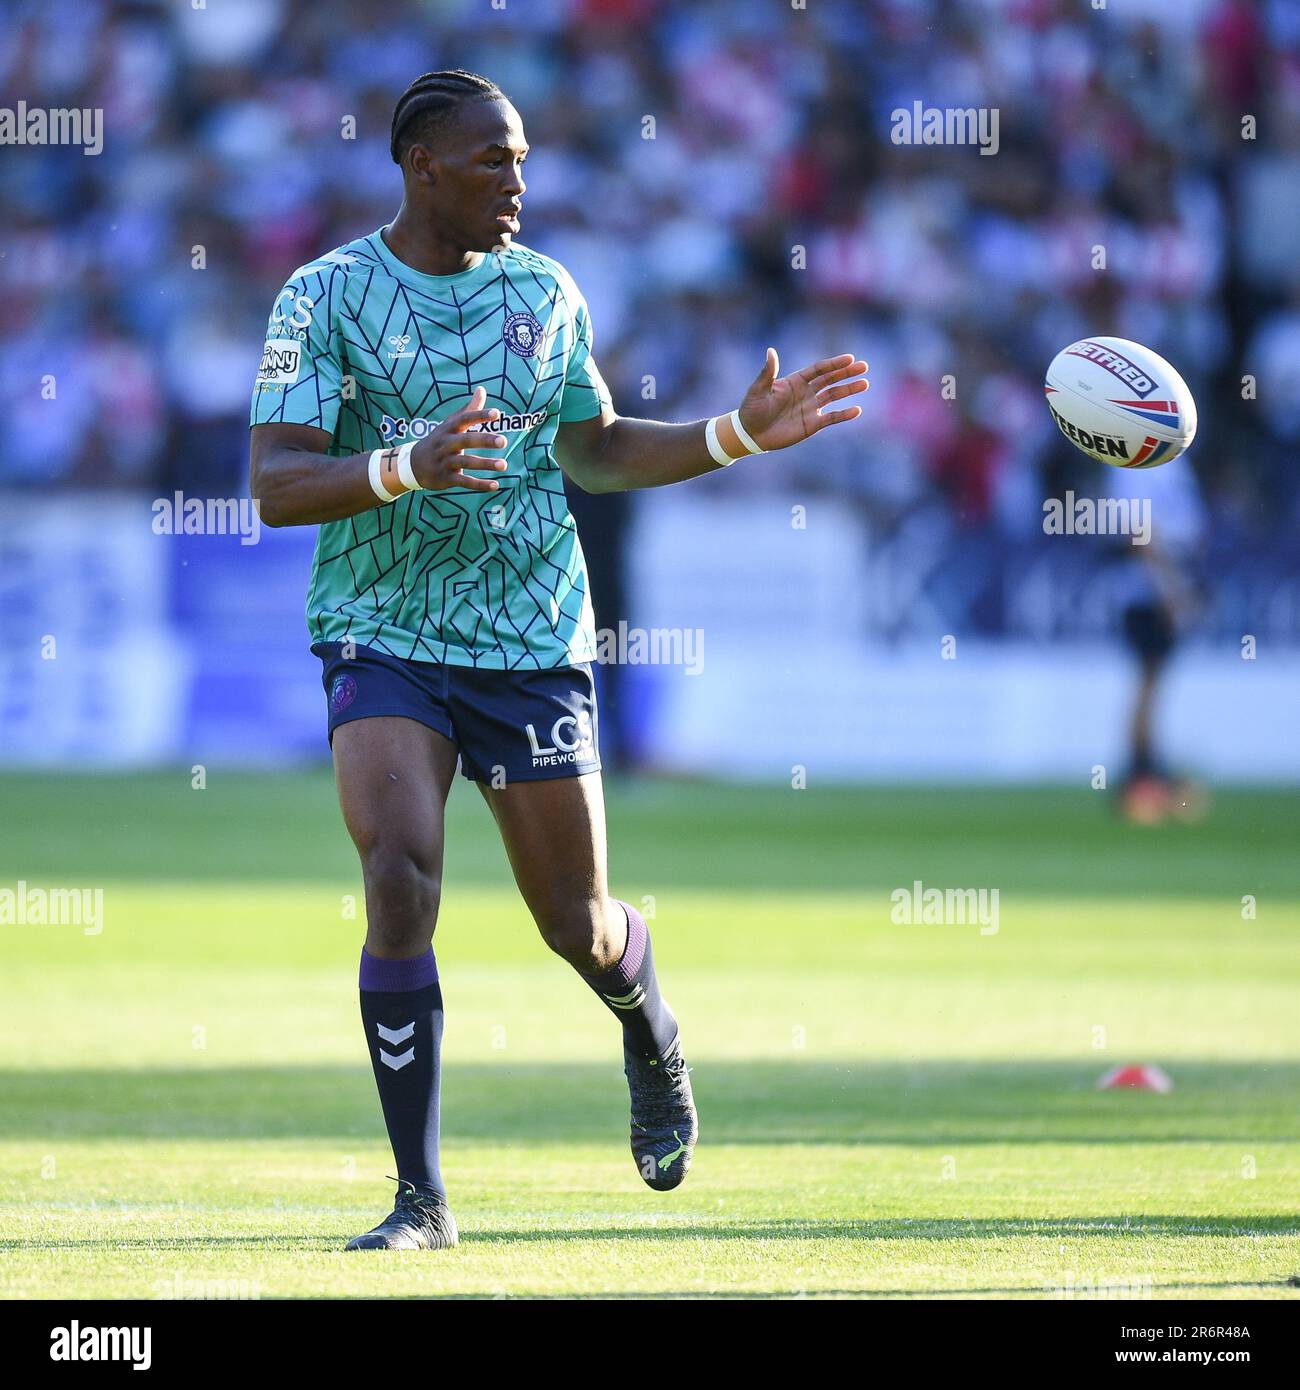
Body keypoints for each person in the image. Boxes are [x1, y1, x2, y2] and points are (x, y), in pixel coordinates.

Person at [248, 70, 868, 1250]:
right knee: (396, 876)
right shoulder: (322, 297)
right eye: (493, 160)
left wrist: (736, 433)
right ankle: (420, 1202)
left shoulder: (546, 291)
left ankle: (647, 1024)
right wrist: (402, 468)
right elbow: (275, 485)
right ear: (420, 165)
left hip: (530, 634)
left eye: (524, 158)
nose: (519, 181)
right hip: (382, 627)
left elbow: (593, 449)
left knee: (574, 922)